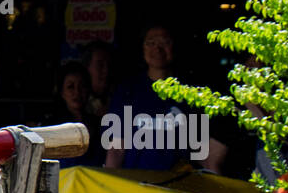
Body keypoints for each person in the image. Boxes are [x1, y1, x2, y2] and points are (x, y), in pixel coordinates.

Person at [104, 25, 226, 173]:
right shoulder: (127, 91)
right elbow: (116, 149)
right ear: (142, 48)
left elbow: (203, 151)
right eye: (151, 43)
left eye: (164, 42)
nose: (157, 49)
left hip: (180, 185)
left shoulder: (191, 93)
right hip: (136, 184)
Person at [51, 61, 102, 167]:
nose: (77, 92)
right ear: (62, 92)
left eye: (82, 86)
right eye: (70, 87)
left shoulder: (99, 124)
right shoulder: (52, 126)